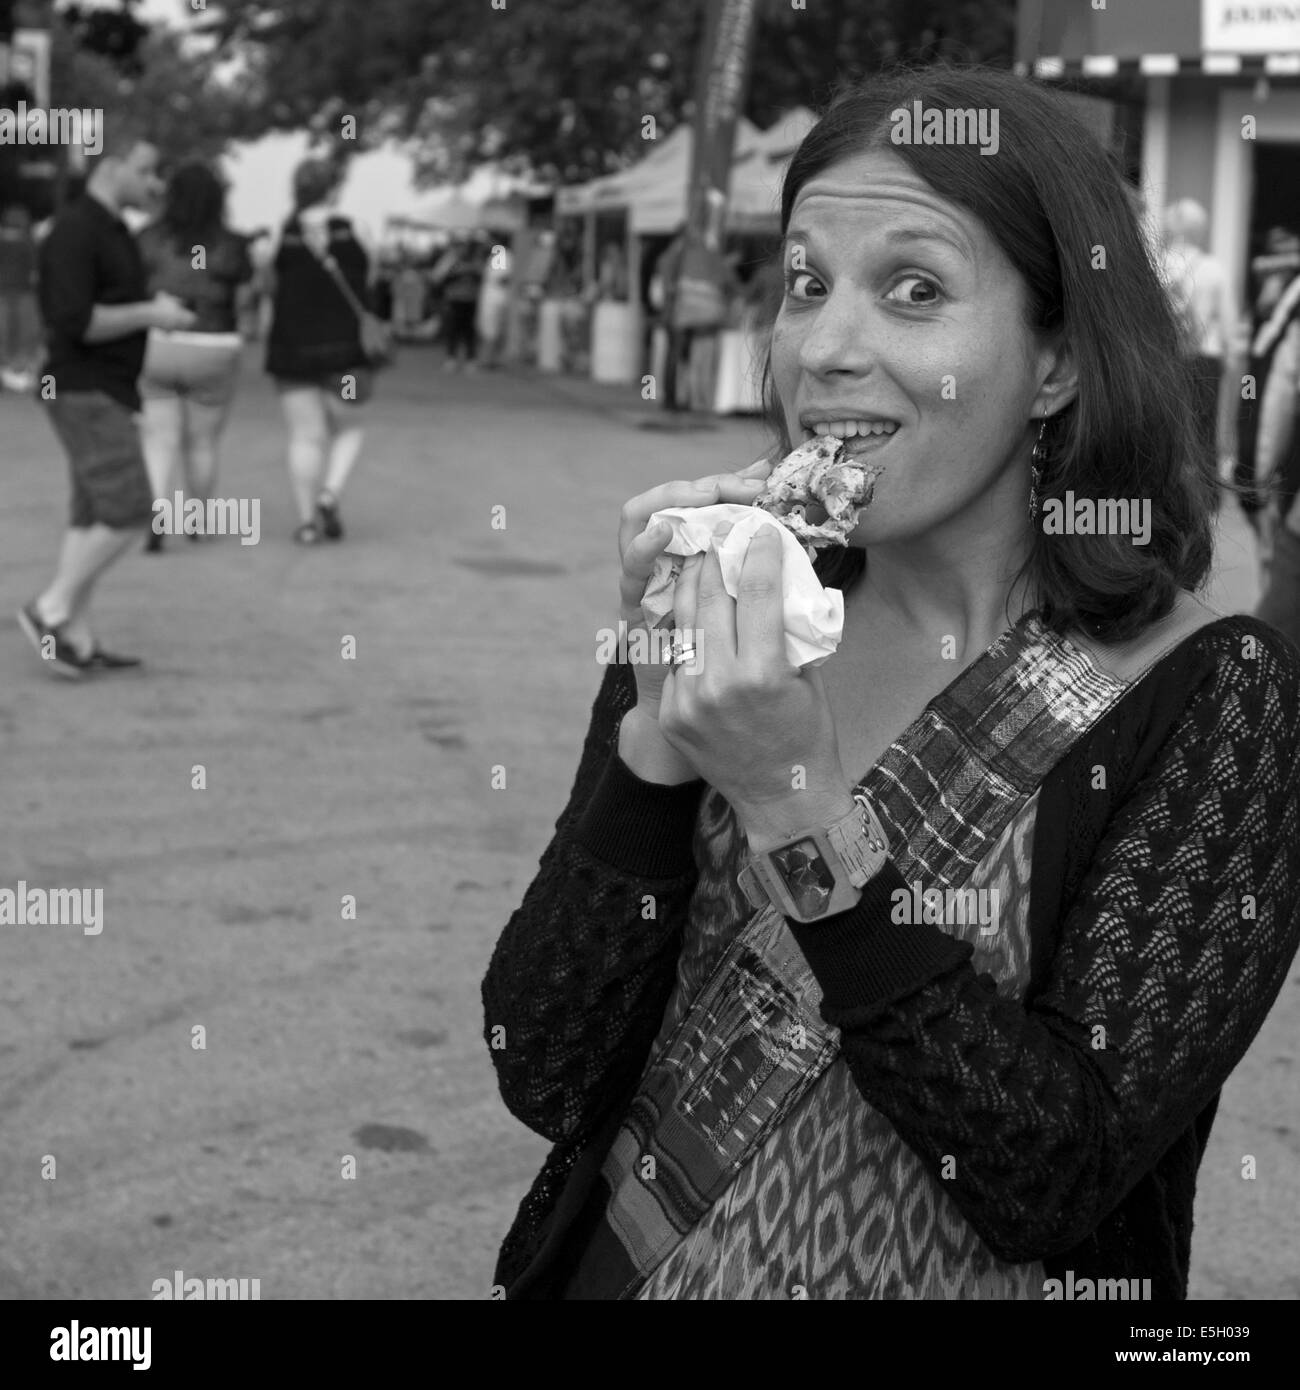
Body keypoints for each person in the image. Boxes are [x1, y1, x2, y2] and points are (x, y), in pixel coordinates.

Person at [481, 66, 1300, 1301]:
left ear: (1059, 361)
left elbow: (1050, 1178)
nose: (825, 346)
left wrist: (800, 811)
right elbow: (544, 1068)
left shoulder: (1208, 700)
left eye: (913, 290)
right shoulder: (738, 605)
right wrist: (653, 747)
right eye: (806, 284)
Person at [18, 128, 197, 679]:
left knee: (91, 513)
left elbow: (110, 304)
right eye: (145, 171)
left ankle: (78, 638)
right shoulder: (74, 232)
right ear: (110, 165)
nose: (155, 183)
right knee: (129, 510)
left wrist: (152, 306)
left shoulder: (114, 230)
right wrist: (152, 315)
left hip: (105, 387)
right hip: (83, 387)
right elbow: (76, 321)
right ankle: (50, 610)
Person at [136, 161, 253, 552]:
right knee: (202, 441)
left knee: (159, 438)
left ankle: (157, 512)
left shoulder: (147, 238)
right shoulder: (233, 243)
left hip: (156, 343)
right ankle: (199, 522)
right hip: (214, 346)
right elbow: (247, 289)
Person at [264, 158, 373, 544]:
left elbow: (269, 286)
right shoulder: (355, 229)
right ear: (332, 189)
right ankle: (330, 493)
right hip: (346, 354)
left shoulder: (283, 234)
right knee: (350, 427)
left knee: (305, 436)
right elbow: (370, 278)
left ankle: (306, 521)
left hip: (293, 352)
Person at [1160, 199, 1233, 474]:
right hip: (1205, 358)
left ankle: (1163, 498)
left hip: (1165, 358)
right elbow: (1229, 325)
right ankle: (1206, 501)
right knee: (1204, 433)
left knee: (1166, 428)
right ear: (1199, 230)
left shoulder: (1155, 264)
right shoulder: (1214, 269)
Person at [0, 202, 40, 392]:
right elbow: (34, 273)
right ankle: (43, 387)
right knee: (24, 334)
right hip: (23, 293)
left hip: (3, 292)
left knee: (4, 332)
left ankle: (6, 372)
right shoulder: (27, 243)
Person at [432, 233, 485, 371]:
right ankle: (451, 358)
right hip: (454, 300)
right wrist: (456, 274)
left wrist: (472, 273)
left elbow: (483, 277)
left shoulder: (475, 260)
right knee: (453, 329)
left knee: (469, 330)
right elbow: (437, 278)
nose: (463, 249)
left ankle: (471, 358)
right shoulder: (449, 260)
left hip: (470, 300)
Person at [476, 238, 512, 369]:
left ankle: (489, 359)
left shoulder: (501, 253)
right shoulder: (497, 254)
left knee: (491, 328)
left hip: (495, 296)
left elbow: (501, 277)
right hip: (493, 295)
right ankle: (489, 359)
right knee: (490, 327)